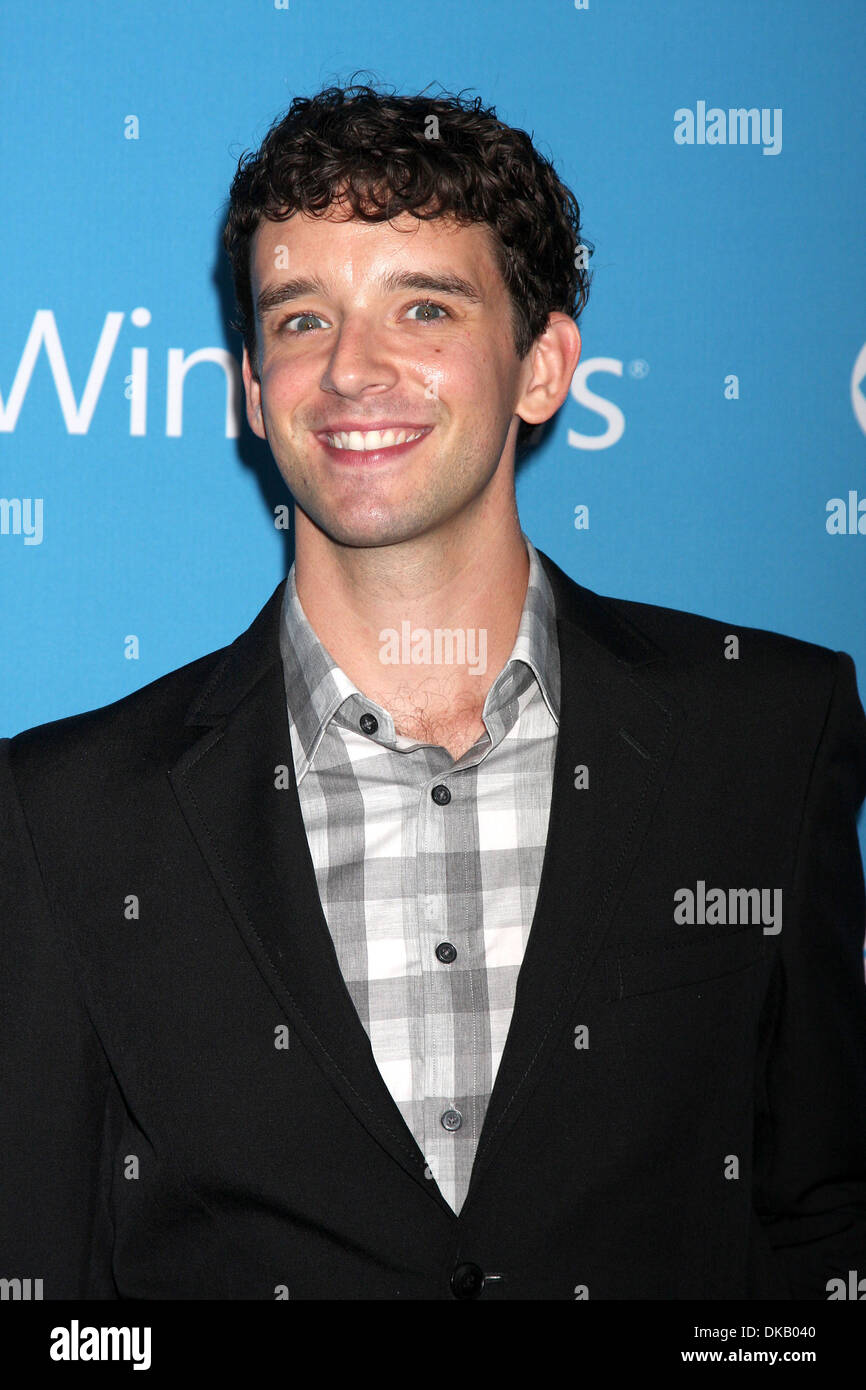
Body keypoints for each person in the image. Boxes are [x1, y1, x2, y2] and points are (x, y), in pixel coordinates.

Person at [1, 81, 865, 1301]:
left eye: (422, 306)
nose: (353, 370)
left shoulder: (764, 735)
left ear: (542, 365)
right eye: (301, 319)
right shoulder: (64, 813)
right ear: (253, 387)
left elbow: (818, 1221)